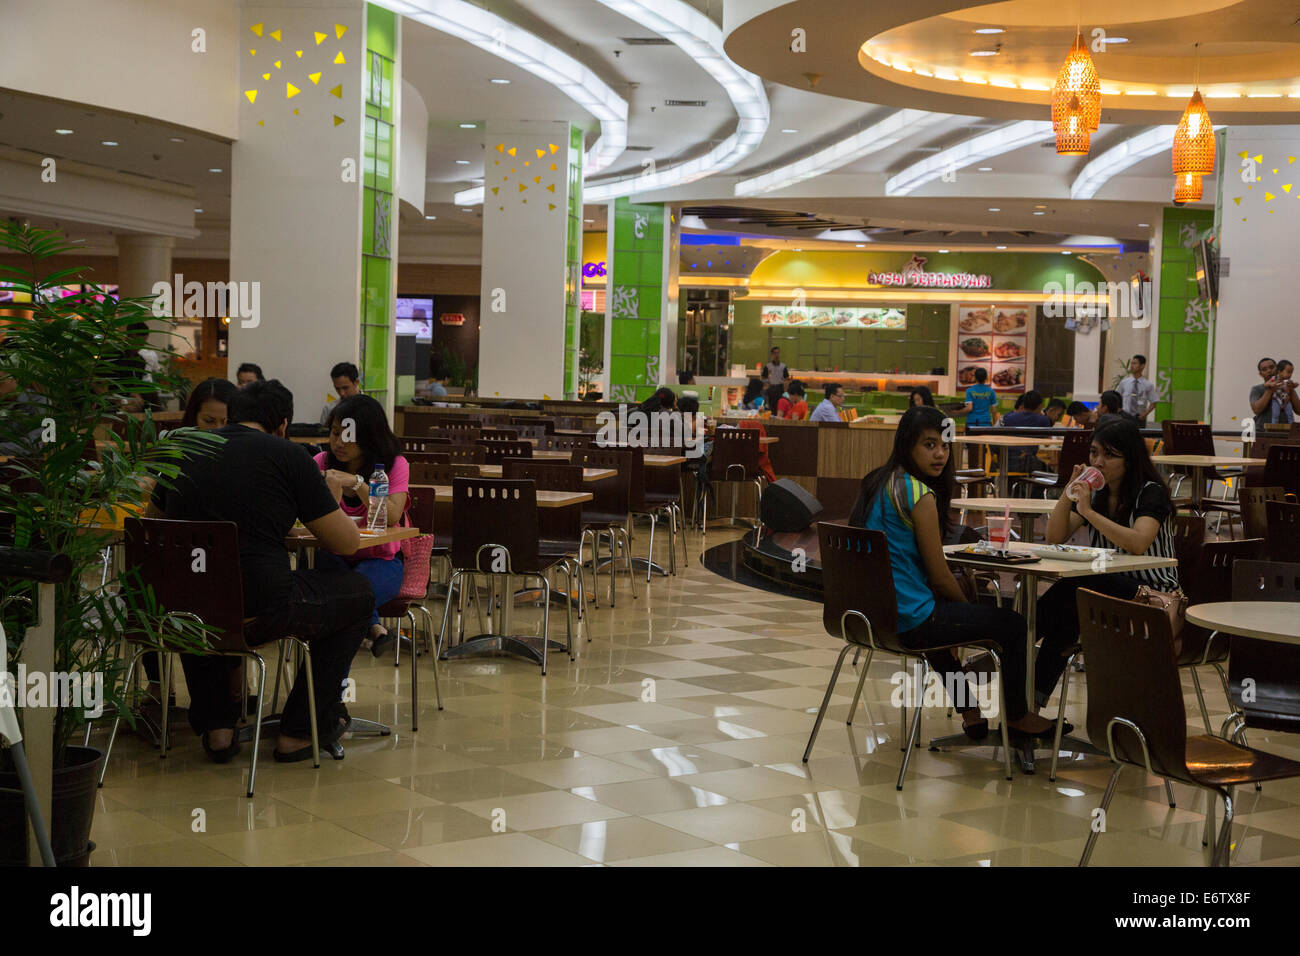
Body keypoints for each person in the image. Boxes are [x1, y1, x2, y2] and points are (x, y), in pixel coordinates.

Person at [146, 380, 372, 763]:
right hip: (262, 608)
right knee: (358, 594)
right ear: (283, 424)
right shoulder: (288, 456)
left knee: (208, 594)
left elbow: (154, 526)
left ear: (232, 416)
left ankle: (218, 730)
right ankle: (299, 731)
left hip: (183, 609)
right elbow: (346, 543)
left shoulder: (185, 450)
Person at [849, 406, 1057, 740]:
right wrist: (966, 611)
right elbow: (940, 576)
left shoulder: (877, 482)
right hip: (907, 621)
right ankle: (1018, 716)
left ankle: (971, 713)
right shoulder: (919, 495)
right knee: (1014, 625)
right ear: (907, 445)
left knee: (933, 616)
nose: (940, 453)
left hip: (869, 616)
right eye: (929, 445)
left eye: (945, 445)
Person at [1034, 420, 1181, 709]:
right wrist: (1069, 492)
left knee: (1080, 583)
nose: (1098, 462)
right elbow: (1054, 537)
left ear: (1130, 459)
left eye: (1109, 455)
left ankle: (1015, 637)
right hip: (1107, 593)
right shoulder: (1098, 494)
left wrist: (1087, 511)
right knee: (1068, 614)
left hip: (1152, 597)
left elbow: (1138, 542)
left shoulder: (1150, 492)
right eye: (1094, 453)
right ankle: (1031, 705)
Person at [314, 394, 410, 656]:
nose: (338, 443)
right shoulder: (321, 463)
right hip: (334, 559)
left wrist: (358, 484)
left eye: (348, 435)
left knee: (340, 604)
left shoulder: (394, 466)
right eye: (334, 433)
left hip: (382, 560)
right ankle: (375, 628)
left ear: (370, 437)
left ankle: (328, 691)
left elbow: (391, 516)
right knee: (343, 599)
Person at [997, 390, 1050, 474]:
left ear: (1023, 404)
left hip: (1006, 463)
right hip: (1028, 465)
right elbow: (1047, 444)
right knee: (1049, 471)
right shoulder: (1043, 420)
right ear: (1040, 406)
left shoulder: (1007, 418)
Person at [1250, 356, 1300, 429]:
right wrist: (1270, 390)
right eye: (1264, 369)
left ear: (1277, 369)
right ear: (1260, 374)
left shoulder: (1287, 386)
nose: (1269, 371)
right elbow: (1256, 410)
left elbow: (1299, 411)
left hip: (1286, 432)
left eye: (1271, 367)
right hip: (1263, 432)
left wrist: (1291, 390)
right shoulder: (1257, 389)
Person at [1116, 354, 1160, 425]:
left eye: (1135, 363)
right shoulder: (1124, 382)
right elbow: (1116, 396)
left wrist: (1145, 413)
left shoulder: (1148, 385)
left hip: (1139, 418)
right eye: (1131, 363)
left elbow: (1154, 402)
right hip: (1124, 417)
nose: (1132, 366)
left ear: (1142, 366)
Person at [760, 347, 788, 411]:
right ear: (772, 355)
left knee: (779, 406)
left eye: (778, 353)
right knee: (771, 407)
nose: (777, 355)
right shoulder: (768, 366)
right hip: (771, 388)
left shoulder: (783, 366)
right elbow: (763, 378)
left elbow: (786, 378)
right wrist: (766, 384)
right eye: (775, 353)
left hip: (780, 388)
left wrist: (785, 388)